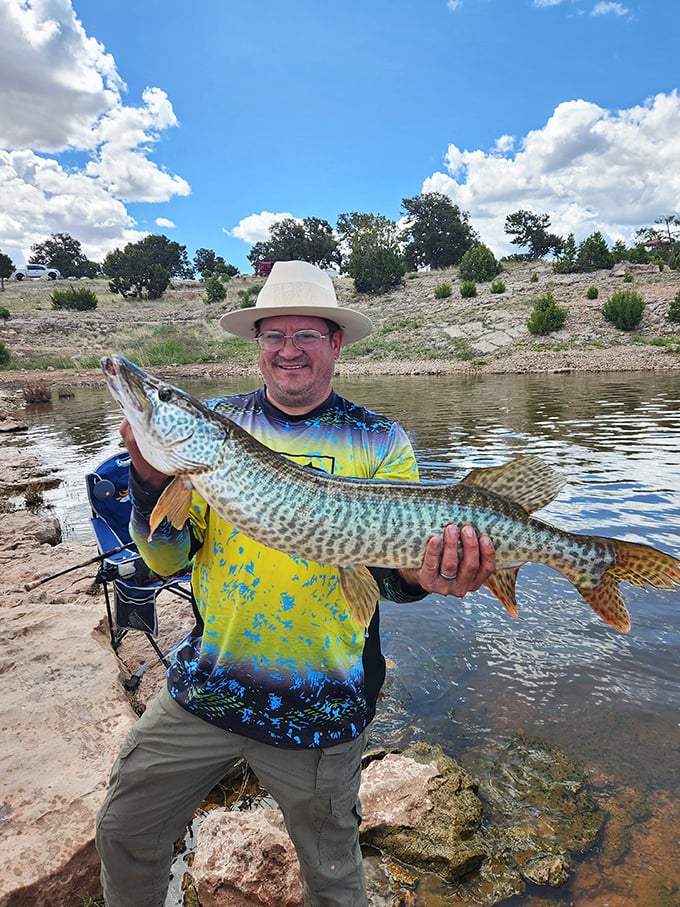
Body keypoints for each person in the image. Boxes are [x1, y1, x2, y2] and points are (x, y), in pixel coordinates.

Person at [95, 260, 496, 907]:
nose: (287, 350)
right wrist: (146, 481)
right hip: (211, 687)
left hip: (324, 705)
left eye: (305, 334)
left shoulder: (379, 439)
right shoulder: (217, 427)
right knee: (122, 828)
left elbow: (389, 580)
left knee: (334, 875)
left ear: (335, 342)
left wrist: (432, 571)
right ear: (257, 344)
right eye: (273, 335)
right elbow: (164, 560)